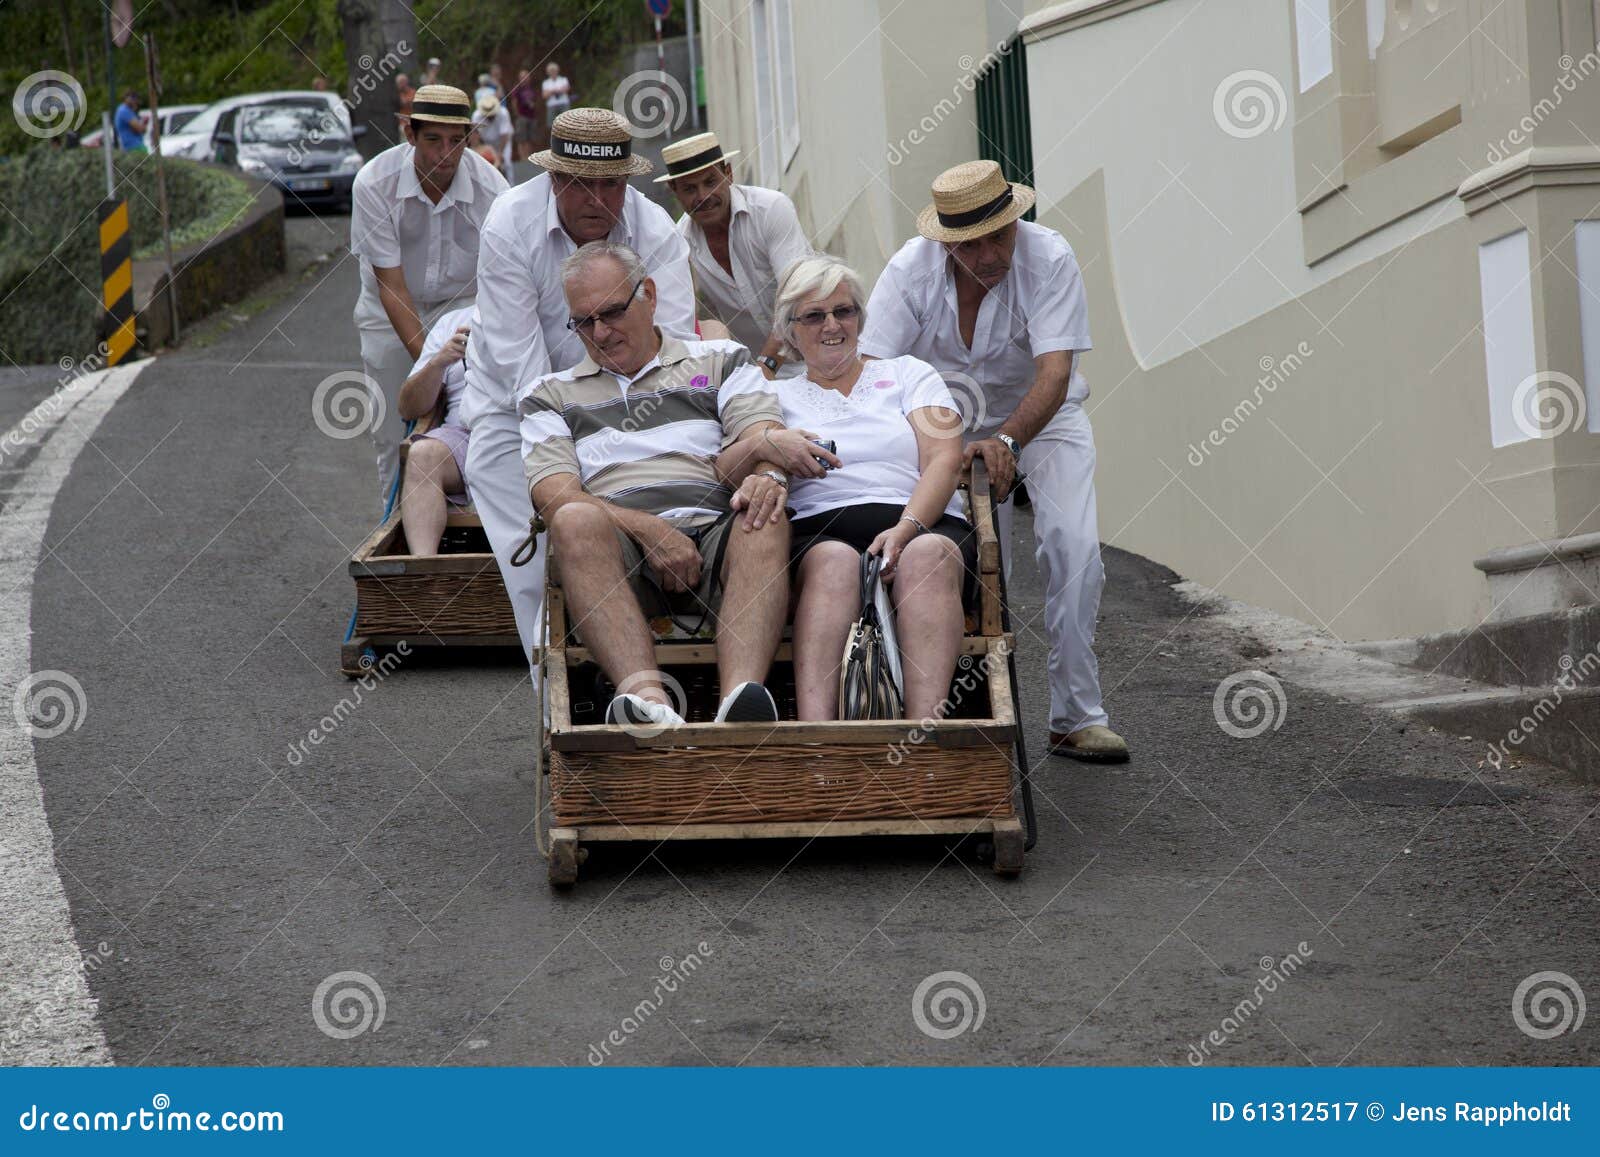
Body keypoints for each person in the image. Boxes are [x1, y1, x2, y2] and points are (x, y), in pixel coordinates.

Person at [862, 159, 1128, 763]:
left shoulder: (1050, 257)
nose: (988, 255)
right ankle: (972, 716)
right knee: (974, 569)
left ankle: (1076, 714)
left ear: (1015, 220)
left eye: (999, 236)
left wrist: (1006, 442)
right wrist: (938, 444)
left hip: (1044, 417)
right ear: (945, 241)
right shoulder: (907, 272)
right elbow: (876, 378)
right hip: (941, 428)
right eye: (970, 244)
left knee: (1074, 547)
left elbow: (1054, 372)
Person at [462, 106, 703, 680]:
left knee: (682, 522)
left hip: (636, 404)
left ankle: (666, 677)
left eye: (612, 184)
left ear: (628, 182)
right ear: (553, 180)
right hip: (516, 413)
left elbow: (675, 347)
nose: (599, 199)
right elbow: (524, 373)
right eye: (582, 183)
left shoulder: (656, 229)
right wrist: (574, 473)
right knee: (539, 566)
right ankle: (561, 693)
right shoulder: (508, 223)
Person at [522, 241, 793, 726]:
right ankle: (649, 701)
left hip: (717, 536)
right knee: (573, 517)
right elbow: (553, 493)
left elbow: (759, 435)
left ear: (648, 294)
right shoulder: (549, 395)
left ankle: (739, 702)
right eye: (584, 321)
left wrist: (767, 475)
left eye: (611, 312)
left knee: (764, 511)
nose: (600, 333)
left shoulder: (719, 359)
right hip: (618, 555)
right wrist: (649, 530)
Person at [732, 256, 970, 721]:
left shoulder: (908, 373)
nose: (832, 326)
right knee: (833, 562)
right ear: (790, 330)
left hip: (923, 519)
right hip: (820, 530)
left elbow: (943, 458)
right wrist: (770, 452)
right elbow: (740, 463)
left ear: (860, 318)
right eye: (814, 316)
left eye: (844, 311)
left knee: (927, 556)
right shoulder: (773, 396)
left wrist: (906, 529)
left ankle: (922, 740)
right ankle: (818, 740)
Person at [348, 84, 508, 505]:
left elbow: (501, 280)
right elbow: (390, 284)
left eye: (457, 141)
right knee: (392, 430)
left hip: (462, 304)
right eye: (433, 139)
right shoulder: (373, 183)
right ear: (410, 135)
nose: (445, 154)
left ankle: (472, 526)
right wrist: (429, 367)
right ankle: (392, 528)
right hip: (390, 307)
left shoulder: (493, 190)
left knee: (474, 420)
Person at [659, 131, 812, 379]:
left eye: (710, 182)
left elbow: (798, 301)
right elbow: (684, 324)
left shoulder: (771, 209)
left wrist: (764, 371)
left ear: (728, 174)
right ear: (674, 190)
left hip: (818, 359)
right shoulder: (678, 243)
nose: (703, 197)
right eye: (689, 188)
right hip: (758, 376)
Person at [396, 307, 473, 555]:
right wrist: (439, 363)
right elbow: (408, 408)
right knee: (422, 454)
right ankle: (424, 572)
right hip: (463, 435)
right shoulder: (455, 321)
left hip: (527, 431)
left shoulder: (550, 313)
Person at [472, 93, 514, 182]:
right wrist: (478, 149)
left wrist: (500, 154)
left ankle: (511, 185)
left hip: (503, 142)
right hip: (486, 143)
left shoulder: (503, 113)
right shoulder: (476, 116)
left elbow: (504, 135)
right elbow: (475, 135)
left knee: (506, 163)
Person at [510, 69, 541, 160]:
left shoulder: (531, 89)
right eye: (523, 77)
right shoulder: (517, 89)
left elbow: (535, 101)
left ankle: (528, 158)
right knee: (521, 138)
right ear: (519, 78)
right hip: (522, 116)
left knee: (529, 139)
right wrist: (517, 114)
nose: (525, 78)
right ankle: (522, 158)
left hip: (531, 116)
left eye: (527, 76)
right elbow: (514, 102)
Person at [541, 63, 572, 135]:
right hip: (552, 106)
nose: (552, 72)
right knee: (552, 125)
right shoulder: (546, 82)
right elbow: (544, 95)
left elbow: (567, 89)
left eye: (554, 70)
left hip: (564, 104)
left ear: (557, 70)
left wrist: (552, 91)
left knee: (566, 123)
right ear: (548, 72)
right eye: (551, 71)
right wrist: (555, 91)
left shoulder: (563, 79)